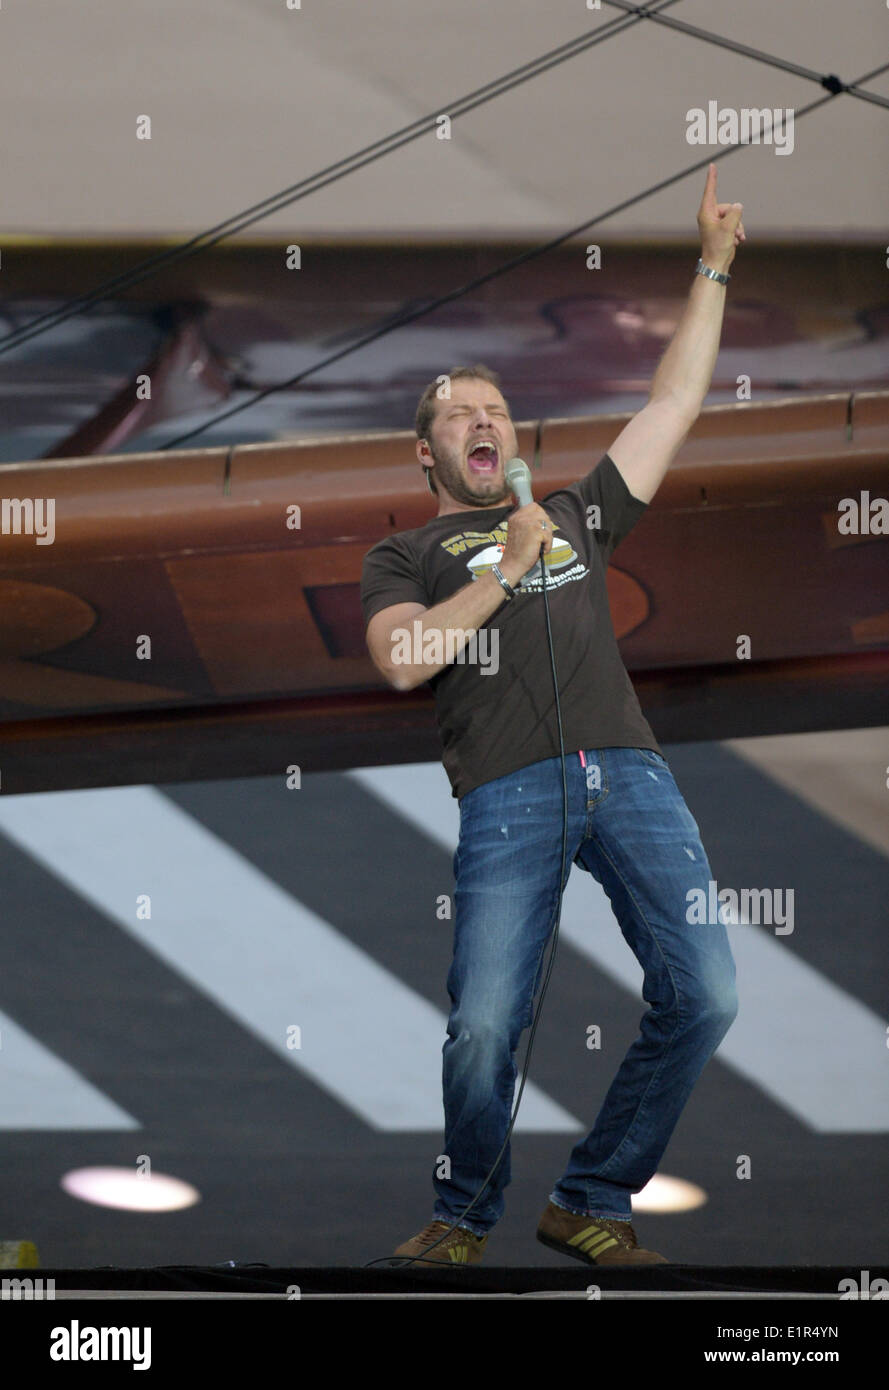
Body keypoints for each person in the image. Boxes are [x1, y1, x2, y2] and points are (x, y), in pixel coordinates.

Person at [360, 165, 745, 1266]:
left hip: (628, 767)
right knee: (484, 1025)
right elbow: (403, 661)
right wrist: (503, 571)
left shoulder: (575, 510)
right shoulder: (407, 555)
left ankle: (592, 1195)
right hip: (509, 784)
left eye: (494, 410)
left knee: (707, 993)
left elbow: (671, 404)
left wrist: (712, 263)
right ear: (424, 452)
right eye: (456, 416)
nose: (482, 422)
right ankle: (462, 1210)